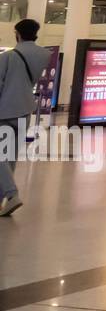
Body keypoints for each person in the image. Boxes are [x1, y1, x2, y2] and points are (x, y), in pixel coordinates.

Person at [0, 19, 52, 217]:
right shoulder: (43, 55)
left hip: (4, 110)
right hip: (25, 109)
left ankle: (12, 194)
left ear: (17, 34)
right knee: (9, 156)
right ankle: (3, 200)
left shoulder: (8, 57)